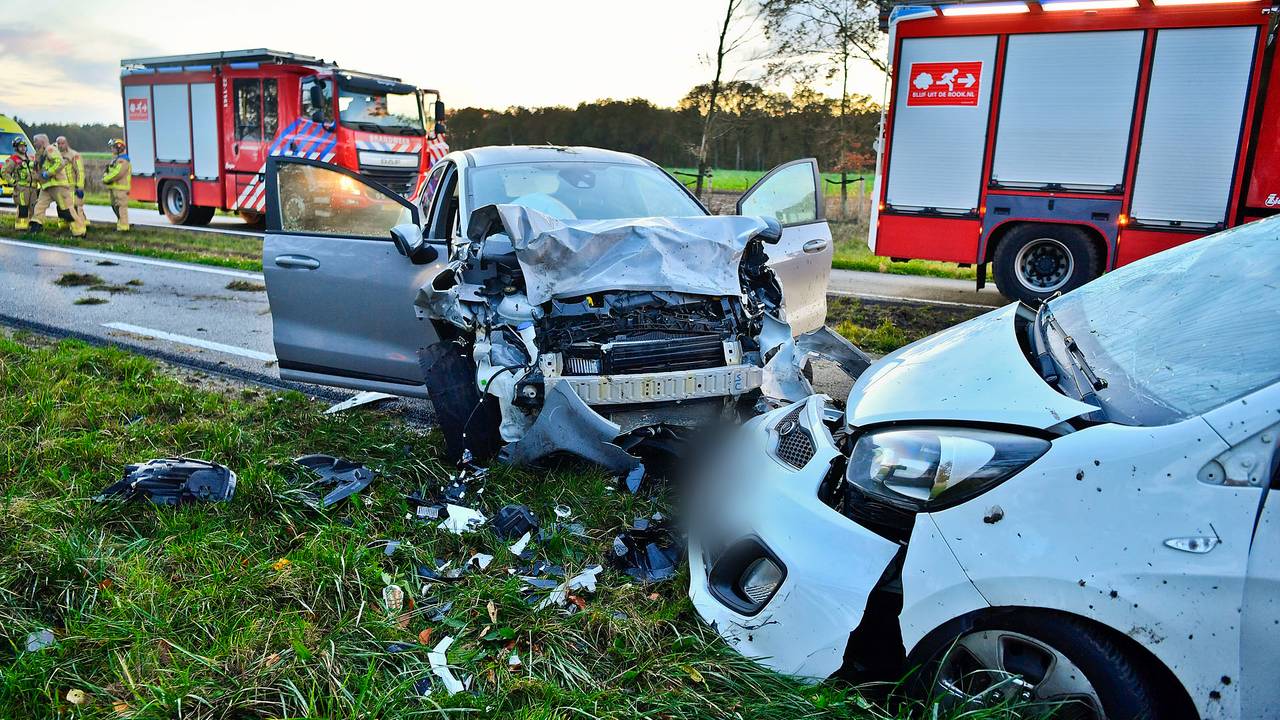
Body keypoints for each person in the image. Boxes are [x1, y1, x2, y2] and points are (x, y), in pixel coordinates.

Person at [29, 133, 86, 236]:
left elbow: (59, 163)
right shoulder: (40, 153)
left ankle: (79, 231)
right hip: (46, 187)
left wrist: (48, 173)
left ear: (41, 142)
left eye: (35, 141)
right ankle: (35, 227)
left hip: (58, 185)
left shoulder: (50, 149)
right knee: (39, 207)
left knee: (67, 210)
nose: (34, 143)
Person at [1, 137, 35, 230]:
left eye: (24, 146)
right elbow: (4, 172)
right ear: (16, 147)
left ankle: (32, 227)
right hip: (21, 189)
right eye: (20, 146)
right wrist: (13, 182)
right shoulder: (13, 159)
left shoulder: (30, 158)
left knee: (33, 208)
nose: (23, 148)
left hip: (33, 188)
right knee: (22, 209)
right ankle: (21, 228)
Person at [102, 138, 131, 232]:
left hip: (121, 189)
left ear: (119, 148)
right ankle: (120, 226)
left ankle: (123, 229)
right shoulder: (116, 159)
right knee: (116, 208)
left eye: (113, 147)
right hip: (115, 188)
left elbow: (118, 173)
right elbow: (110, 171)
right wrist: (106, 175)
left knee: (121, 209)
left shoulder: (123, 161)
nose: (111, 149)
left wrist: (106, 179)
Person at [56, 136, 85, 220]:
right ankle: (63, 226)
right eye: (58, 143)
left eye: (62, 143)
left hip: (72, 187)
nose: (60, 145)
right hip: (59, 186)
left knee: (75, 207)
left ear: (67, 143)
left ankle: (81, 225)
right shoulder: (54, 155)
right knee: (61, 207)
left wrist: (80, 186)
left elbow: (80, 171)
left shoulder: (74, 155)